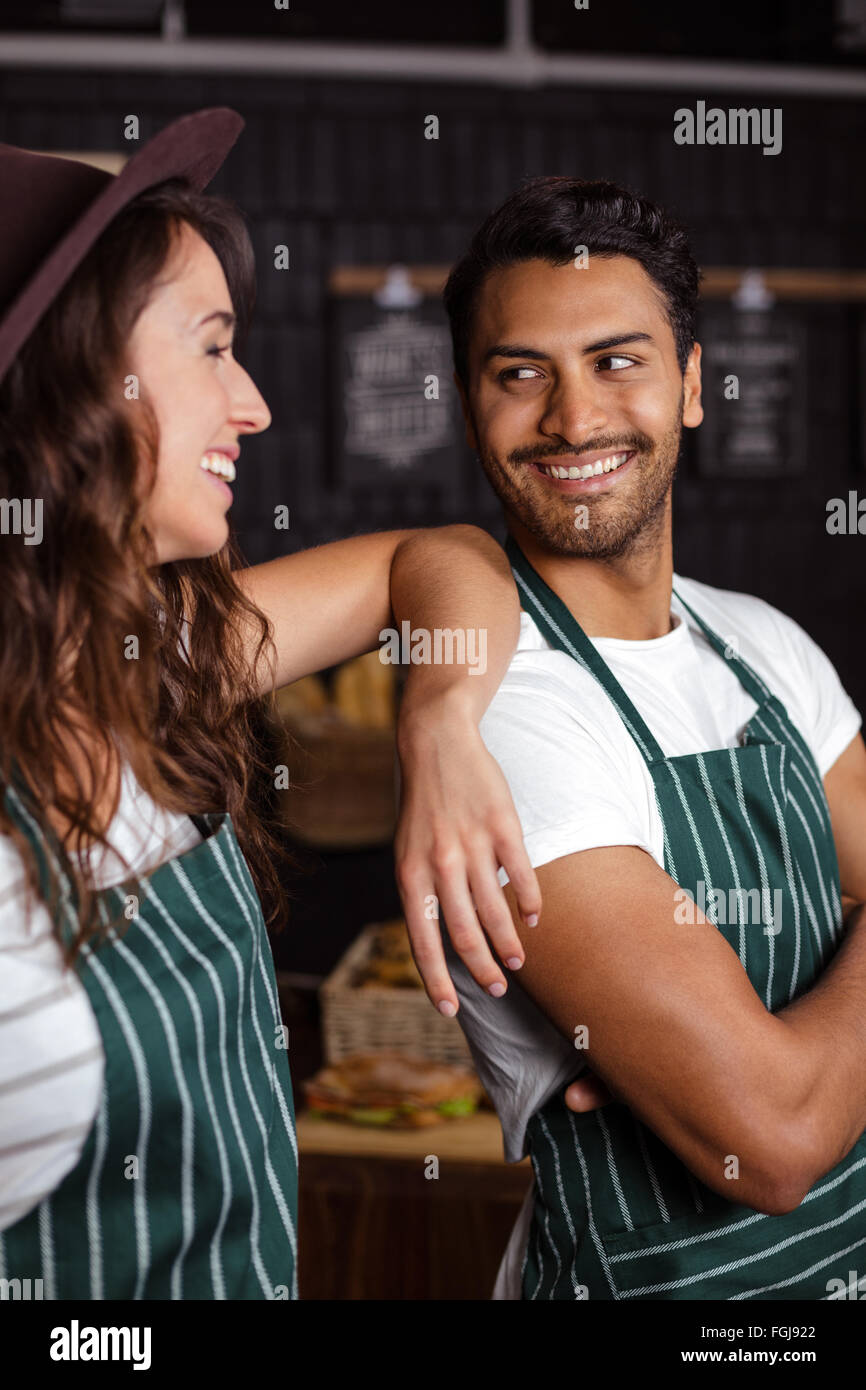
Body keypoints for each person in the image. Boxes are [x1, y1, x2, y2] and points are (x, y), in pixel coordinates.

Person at [0, 108, 543, 1300]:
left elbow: (442, 558)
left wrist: (438, 721)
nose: (253, 405)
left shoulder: (154, 660)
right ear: (76, 386)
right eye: (210, 347)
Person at [436, 175, 866, 1300]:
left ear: (689, 384)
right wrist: (782, 1068)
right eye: (518, 373)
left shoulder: (759, 642)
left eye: (615, 361)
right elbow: (769, 1138)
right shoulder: (505, 706)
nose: (572, 420)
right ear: (466, 406)